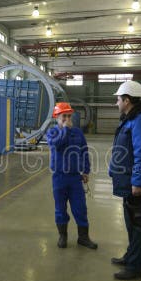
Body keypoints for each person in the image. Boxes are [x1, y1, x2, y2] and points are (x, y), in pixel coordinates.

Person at [109, 81, 141, 280]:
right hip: (128, 182)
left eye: (118, 99)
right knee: (131, 223)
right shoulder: (132, 118)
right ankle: (131, 256)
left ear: (127, 100)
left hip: (135, 185)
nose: (116, 103)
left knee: (138, 225)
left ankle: (135, 268)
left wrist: (138, 182)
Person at [46, 102, 96, 249]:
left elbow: (84, 152)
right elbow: (57, 145)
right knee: (60, 208)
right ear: (56, 117)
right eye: (63, 116)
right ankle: (63, 236)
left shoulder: (78, 133)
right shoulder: (52, 133)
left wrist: (86, 171)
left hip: (75, 178)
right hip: (59, 177)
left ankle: (83, 237)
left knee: (80, 208)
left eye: (69, 116)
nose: (67, 119)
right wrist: (65, 130)